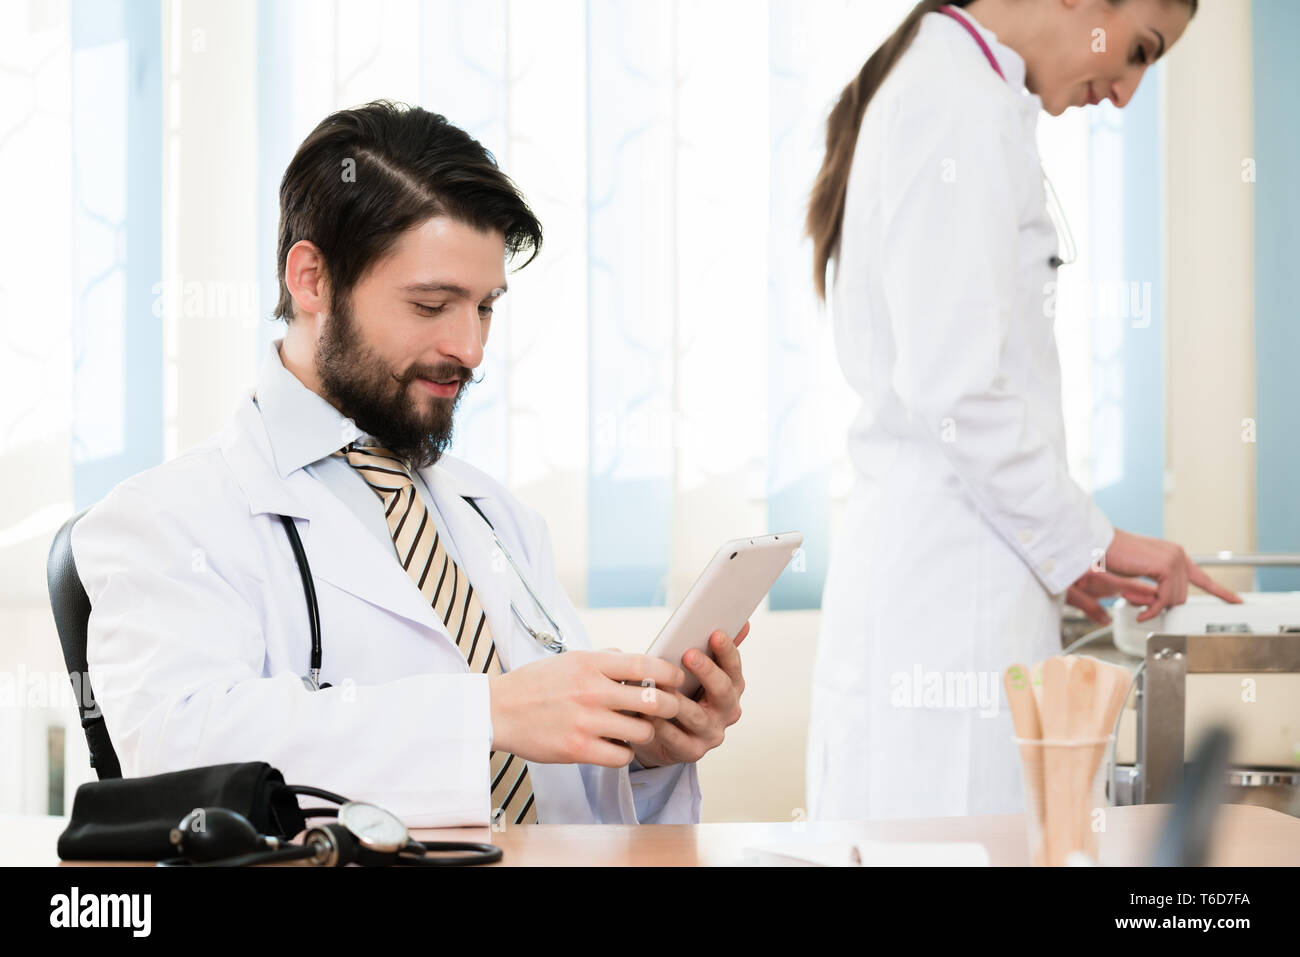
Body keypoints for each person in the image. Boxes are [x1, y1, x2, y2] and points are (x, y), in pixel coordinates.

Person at [72, 100, 746, 828]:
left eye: (486, 306)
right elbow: (182, 757)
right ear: (312, 280)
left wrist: (642, 749)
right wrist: (484, 714)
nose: (471, 347)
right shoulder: (166, 520)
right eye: (432, 304)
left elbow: (568, 797)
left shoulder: (498, 518)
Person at [803, 0, 1238, 820]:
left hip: (950, 577)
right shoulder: (955, 100)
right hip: (942, 603)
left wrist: (1064, 553)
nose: (1127, 92)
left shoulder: (961, 88)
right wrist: (1095, 537)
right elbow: (954, 390)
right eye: (1139, 50)